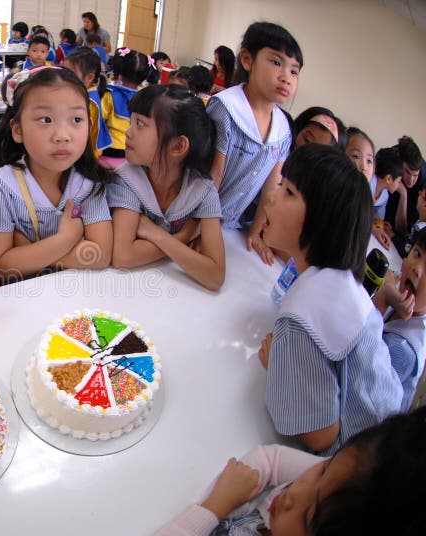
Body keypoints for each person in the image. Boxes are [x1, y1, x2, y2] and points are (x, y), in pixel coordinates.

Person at [257, 144, 402, 455]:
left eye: (289, 192)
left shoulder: (301, 319)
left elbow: (321, 436)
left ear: (324, 220)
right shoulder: (343, 282)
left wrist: (278, 369)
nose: (271, 195)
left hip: (352, 466)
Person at [155, 408, 426, 536]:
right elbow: (271, 458)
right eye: (323, 468)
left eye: (309, 517)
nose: (292, 494)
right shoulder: (347, 487)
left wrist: (215, 507)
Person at [0, 67, 114, 285]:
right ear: (18, 130)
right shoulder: (2, 186)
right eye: (46, 120)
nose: (62, 136)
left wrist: (26, 251)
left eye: (76, 120)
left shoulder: (88, 183)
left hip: (70, 295)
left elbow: (101, 255)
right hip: (20, 298)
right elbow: (1, 268)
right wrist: (67, 239)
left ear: (90, 126)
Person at [108, 85, 224, 290]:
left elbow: (215, 276)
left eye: (140, 124)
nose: (127, 132)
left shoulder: (203, 190)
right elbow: (122, 256)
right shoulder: (126, 178)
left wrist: (156, 234)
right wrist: (183, 237)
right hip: (128, 289)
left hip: (173, 296)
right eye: (131, 121)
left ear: (177, 146)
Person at [207, 22, 301, 263]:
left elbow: (272, 186)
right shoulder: (226, 109)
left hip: (231, 226)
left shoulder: (282, 129)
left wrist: (256, 231)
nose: (286, 78)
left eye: (294, 71)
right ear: (247, 60)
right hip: (197, 216)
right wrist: (202, 227)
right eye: (277, 62)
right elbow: (212, 177)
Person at [374, 227, 426, 411]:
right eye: (417, 253)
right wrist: (387, 285)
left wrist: (382, 299)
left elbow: (356, 377)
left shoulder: (403, 350)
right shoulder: (403, 293)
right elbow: (390, 275)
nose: (417, 269)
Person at [64, 47, 113, 158]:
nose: (63, 77)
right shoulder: (84, 91)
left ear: (89, 77)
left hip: (88, 154)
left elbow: (79, 133)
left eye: (70, 73)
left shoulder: (88, 102)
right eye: (63, 70)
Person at [104, 48, 151, 157]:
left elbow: (99, 117)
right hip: (133, 147)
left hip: (110, 146)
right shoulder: (146, 97)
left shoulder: (110, 94)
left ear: (120, 72)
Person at [385, 136, 425, 235]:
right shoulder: (388, 159)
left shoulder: (423, 183)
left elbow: (404, 230)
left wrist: (404, 195)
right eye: (407, 172)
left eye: (415, 175)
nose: (411, 181)